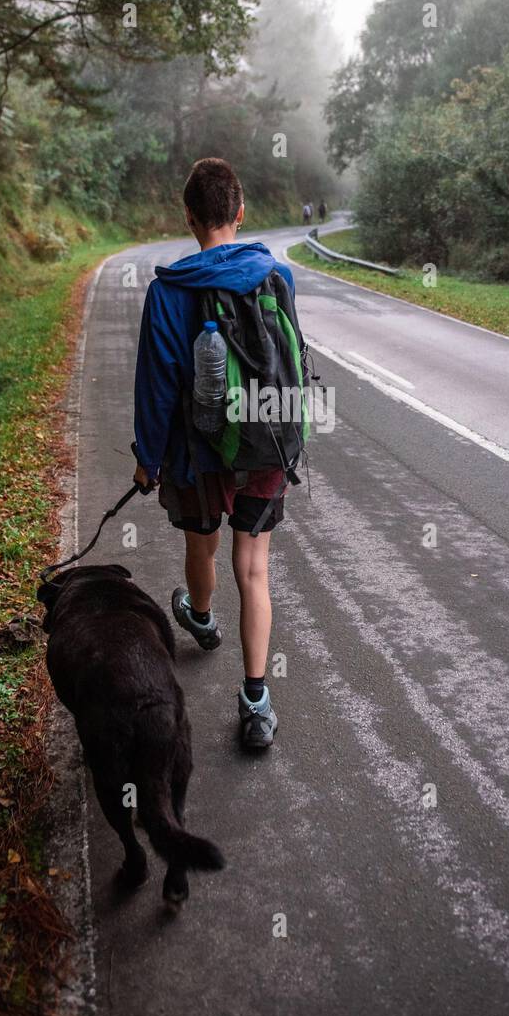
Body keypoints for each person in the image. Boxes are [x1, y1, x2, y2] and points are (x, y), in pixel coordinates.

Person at [132, 158, 304, 750]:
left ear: (188, 217)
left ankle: (201, 619)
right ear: (240, 212)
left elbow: (156, 385)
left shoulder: (168, 292)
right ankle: (256, 701)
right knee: (253, 570)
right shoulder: (275, 277)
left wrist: (147, 460)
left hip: (198, 453)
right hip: (265, 443)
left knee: (200, 541)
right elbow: (294, 365)